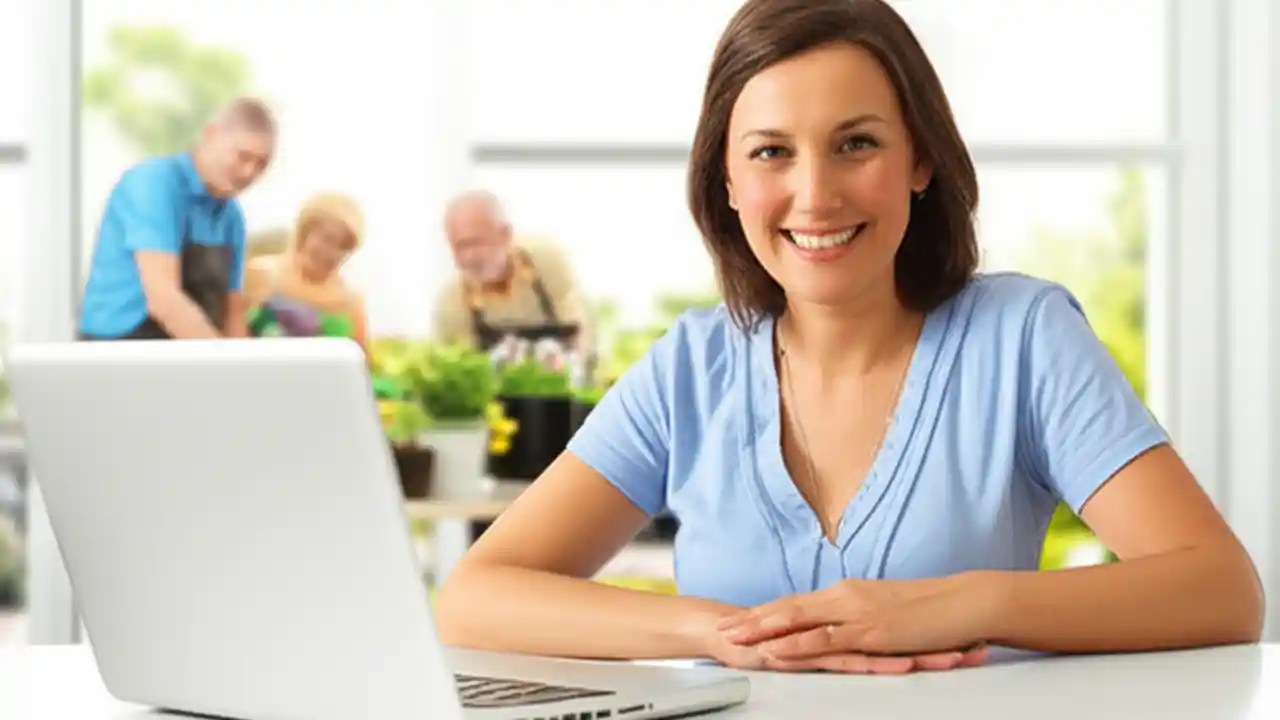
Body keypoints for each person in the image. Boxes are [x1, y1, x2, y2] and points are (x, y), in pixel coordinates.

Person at [436, 0, 1263, 674]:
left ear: (920, 160)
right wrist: (719, 634)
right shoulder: (692, 367)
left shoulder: (1023, 339)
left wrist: (955, 605)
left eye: (856, 144)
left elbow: (1221, 590)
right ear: (726, 182)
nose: (815, 193)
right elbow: (476, 597)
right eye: (770, 152)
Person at [79, 98, 276, 340]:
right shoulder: (154, 184)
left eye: (261, 164)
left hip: (187, 353)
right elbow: (164, 301)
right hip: (117, 353)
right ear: (211, 135)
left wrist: (248, 371)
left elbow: (233, 311)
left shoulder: (231, 217)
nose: (250, 172)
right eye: (243, 157)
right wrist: (223, 368)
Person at [433, 190, 593, 358]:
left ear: (506, 234)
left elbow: (581, 332)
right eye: (458, 247)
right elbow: (457, 366)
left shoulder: (547, 263)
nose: (468, 257)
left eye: (476, 243)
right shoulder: (452, 302)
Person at [244, 192, 369, 351]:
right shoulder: (261, 273)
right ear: (305, 231)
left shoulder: (352, 300)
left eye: (343, 246)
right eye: (327, 239)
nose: (331, 252)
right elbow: (231, 338)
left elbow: (360, 366)